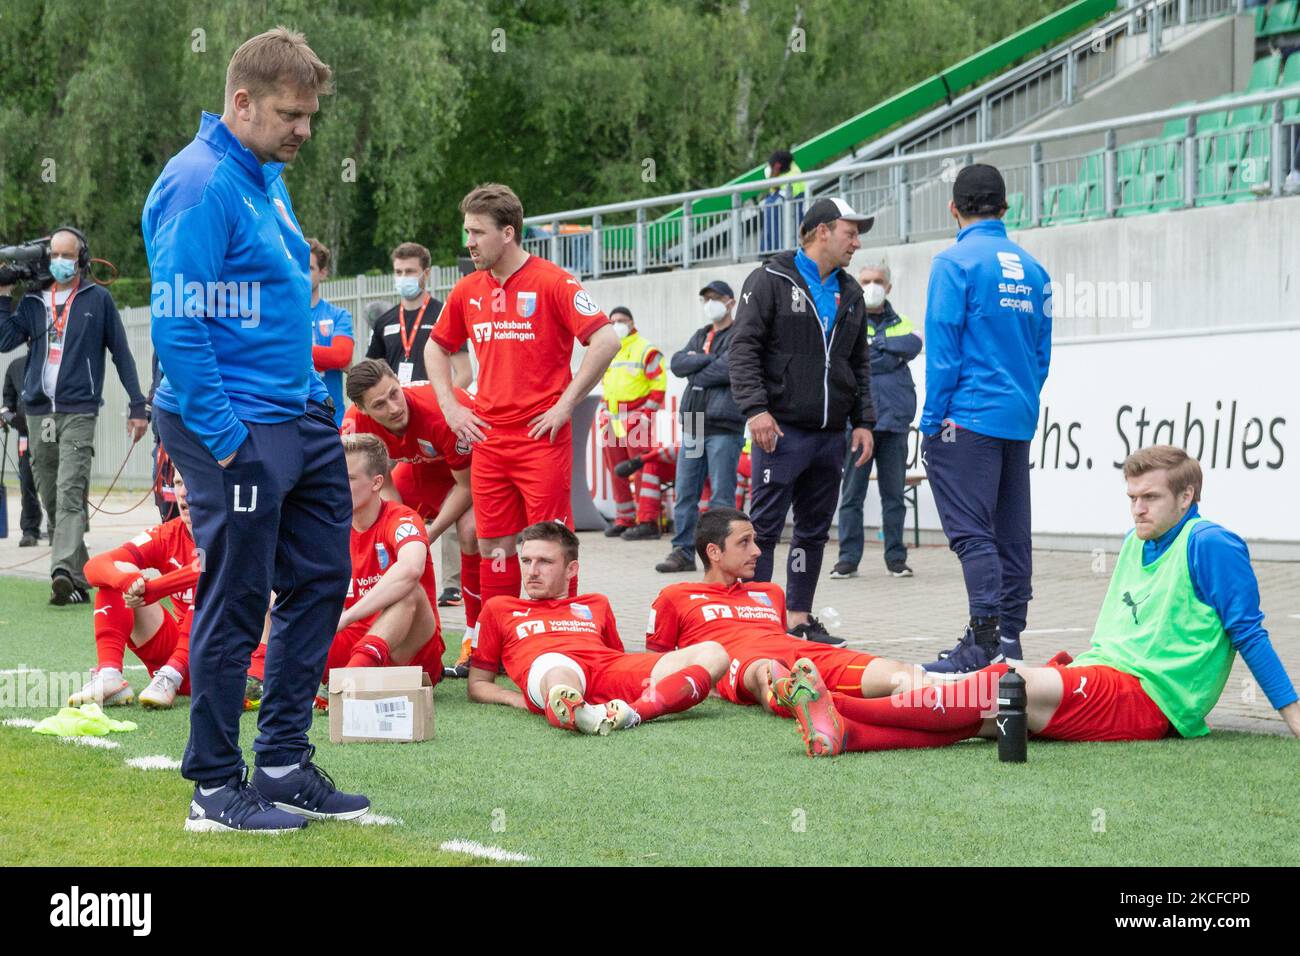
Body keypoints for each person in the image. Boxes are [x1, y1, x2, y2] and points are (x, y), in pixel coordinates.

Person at [142, 26, 368, 833]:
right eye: (289, 113)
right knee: (238, 596)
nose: (304, 130)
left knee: (318, 578)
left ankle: (279, 763)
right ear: (241, 102)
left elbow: (283, 302)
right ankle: (211, 784)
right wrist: (231, 440)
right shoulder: (200, 183)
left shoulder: (264, 174)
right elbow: (178, 326)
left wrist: (313, 401)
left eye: (310, 115)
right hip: (232, 427)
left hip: (297, 416)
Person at [772, 446, 1300, 757]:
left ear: (1187, 497)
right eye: (1132, 498)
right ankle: (845, 733)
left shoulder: (1211, 542)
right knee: (989, 713)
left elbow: (1250, 632)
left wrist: (1291, 713)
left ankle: (838, 705)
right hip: (1110, 673)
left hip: (1150, 697)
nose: (1138, 509)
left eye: (1151, 498)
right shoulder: (1138, 538)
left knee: (1003, 685)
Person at [425, 183, 620, 607]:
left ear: (508, 232)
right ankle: (491, 646)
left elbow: (606, 340)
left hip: (541, 438)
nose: (469, 243)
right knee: (493, 544)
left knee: (549, 544)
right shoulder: (468, 289)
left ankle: (555, 638)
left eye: (477, 233)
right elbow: (435, 347)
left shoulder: (554, 281)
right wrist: (452, 407)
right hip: (490, 440)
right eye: (467, 232)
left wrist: (565, 405)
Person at [918, 164, 1052, 676]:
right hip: (1014, 419)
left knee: (973, 534)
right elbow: (1041, 357)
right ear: (1006, 208)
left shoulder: (952, 264)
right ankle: (1010, 640)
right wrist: (1019, 401)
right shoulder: (1035, 269)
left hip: (967, 418)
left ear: (954, 209)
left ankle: (985, 643)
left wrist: (932, 423)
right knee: (1012, 535)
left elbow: (944, 353)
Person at [729, 197, 877, 647]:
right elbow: (743, 349)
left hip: (831, 435)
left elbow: (859, 364)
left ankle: (797, 618)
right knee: (766, 531)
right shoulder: (769, 279)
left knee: (813, 531)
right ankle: (757, 620)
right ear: (821, 232)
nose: (857, 241)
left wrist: (864, 421)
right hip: (781, 431)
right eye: (850, 232)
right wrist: (755, 409)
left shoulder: (850, 291)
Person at [647, 507, 931, 716]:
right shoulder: (675, 597)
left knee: (901, 673)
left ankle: (956, 710)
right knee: (766, 672)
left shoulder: (770, 593)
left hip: (801, 653)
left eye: (755, 541)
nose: (756, 551)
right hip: (746, 664)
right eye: (744, 543)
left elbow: (780, 639)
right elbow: (653, 667)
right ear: (714, 552)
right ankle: (818, 710)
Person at [0, 226, 149, 604]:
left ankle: (61, 570)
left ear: (81, 259)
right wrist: (4, 295)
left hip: (79, 410)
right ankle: (81, 572)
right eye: (54, 255)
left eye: (67, 255)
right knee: (48, 490)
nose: (60, 262)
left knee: (69, 490)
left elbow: (121, 353)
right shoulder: (34, 301)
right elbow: (5, 340)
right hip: (39, 412)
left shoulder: (97, 299)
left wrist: (136, 405)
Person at [467, 521, 727, 734]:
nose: (532, 571)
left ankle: (633, 713)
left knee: (715, 653)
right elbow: (478, 683)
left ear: (571, 569)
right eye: (526, 561)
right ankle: (576, 707)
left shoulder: (596, 603)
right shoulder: (499, 608)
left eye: (544, 562)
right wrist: (516, 699)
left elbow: (615, 656)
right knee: (558, 669)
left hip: (607, 668)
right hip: (552, 671)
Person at [342, 359, 480, 675]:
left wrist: (425, 536)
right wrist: (399, 526)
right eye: (379, 404)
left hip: (472, 467)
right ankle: (385, 623)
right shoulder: (354, 424)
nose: (393, 407)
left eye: (394, 393)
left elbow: (467, 486)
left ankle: (474, 635)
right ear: (362, 410)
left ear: (398, 382)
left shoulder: (437, 413)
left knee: (471, 530)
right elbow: (379, 480)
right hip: (423, 467)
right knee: (382, 523)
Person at [314, 434, 446, 705]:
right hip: (346, 638)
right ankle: (261, 676)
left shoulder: (402, 518)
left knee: (411, 591)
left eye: (348, 478)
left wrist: (347, 617)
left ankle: (351, 679)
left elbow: (411, 568)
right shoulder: (326, 524)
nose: (337, 485)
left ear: (376, 483)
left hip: (406, 651)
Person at [72, 470, 200, 709]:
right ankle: (110, 674)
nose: (183, 493)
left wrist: (154, 589)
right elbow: (94, 566)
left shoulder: (230, 530)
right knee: (115, 575)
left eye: (192, 482)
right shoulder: (168, 534)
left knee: (213, 588)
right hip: (173, 657)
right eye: (179, 483)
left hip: (220, 662)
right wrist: (126, 580)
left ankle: (173, 672)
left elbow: (206, 570)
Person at [830, 261, 921, 580]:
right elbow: (848, 359)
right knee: (852, 495)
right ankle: (847, 559)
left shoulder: (901, 322)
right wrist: (888, 355)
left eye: (878, 280)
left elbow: (914, 343)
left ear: (889, 286)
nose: (871, 285)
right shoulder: (848, 319)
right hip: (858, 425)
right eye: (866, 280)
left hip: (894, 423)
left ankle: (896, 558)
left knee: (894, 496)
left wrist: (876, 346)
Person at [655, 280, 746, 573]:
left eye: (716, 298)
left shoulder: (740, 333)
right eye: (706, 298)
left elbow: (729, 368)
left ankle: (720, 557)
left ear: (731, 301)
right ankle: (682, 552)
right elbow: (679, 364)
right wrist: (707, 361)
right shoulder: (702, 334)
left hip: (723, 424)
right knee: (685, 493)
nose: (710, 304)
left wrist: (699, 367)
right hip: (694, 422)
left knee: (721, 496)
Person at [599, 305, 666, 540]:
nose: (617, 324)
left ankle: (646, 519)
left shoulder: (645, 349)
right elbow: (607, 386)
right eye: (613, 321)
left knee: (641, 470)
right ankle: (624, 519)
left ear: (631, 322)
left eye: (621, 320)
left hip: (636, 417)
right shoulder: (609, 349)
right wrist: (604, 413)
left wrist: (645, 415)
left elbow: (659, 386)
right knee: (616, 472)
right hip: (612, 421)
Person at [366, 241, 442, 385]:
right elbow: (372, 372)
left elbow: (464, 373)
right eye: (398, 272)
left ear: (426, 274)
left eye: (410, 272)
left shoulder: (443, 315)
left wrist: (442, 402)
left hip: (431, 404)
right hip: (396, 404)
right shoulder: (384, 321)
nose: (403, 277)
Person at [307, 238, 354, 427]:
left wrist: (292, 351)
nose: (302, 273)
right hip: (295, 418)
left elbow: (342, 356)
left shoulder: (338, 315)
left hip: (333, 419)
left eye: (309, 268)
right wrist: (324, 355)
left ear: (323, 272)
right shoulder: (281, 315)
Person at [2, 354, 46, 546]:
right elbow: (7, 403)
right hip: (24, 434)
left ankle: (59, 528)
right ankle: (29, 529)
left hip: (49, 431)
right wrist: (8, 416)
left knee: (54, 480)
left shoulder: (53, 362)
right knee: (26, 480)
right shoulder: (16, 366)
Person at [759, 149, 805, 253]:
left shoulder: (789, 177)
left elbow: (775, 185)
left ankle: (769, 252)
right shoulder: (791, 167)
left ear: (777, 166)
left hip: (790, 202)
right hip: (792, 202)